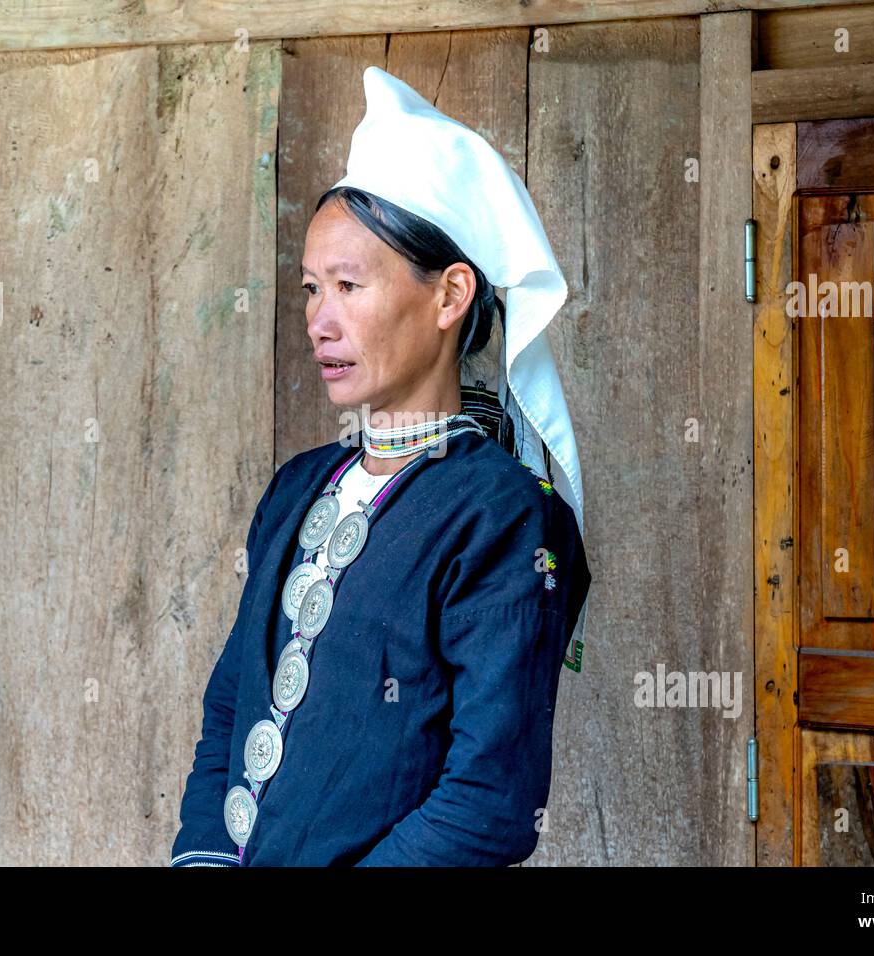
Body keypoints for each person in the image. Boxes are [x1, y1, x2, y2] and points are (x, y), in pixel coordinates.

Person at [169, 66, 591, 867]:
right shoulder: (298, 489)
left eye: (349, 286)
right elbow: (232, 704)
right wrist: (203, 860)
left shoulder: (503, 514)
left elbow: (489, 803)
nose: (318, 322)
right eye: (309, 288)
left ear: (449, 295)